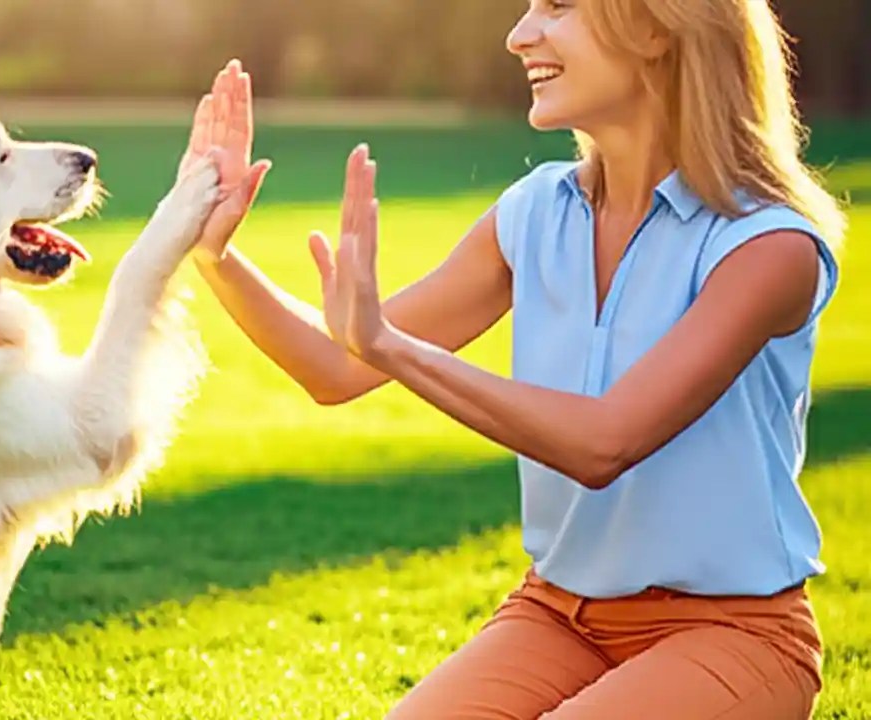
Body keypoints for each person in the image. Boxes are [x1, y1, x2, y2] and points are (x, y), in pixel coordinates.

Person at [178, 0, 847, 716]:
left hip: (733, 632)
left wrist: (392, 347)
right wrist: (212, 250)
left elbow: (606, 441)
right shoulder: (534, 214)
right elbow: (335, 367)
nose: (519, 34)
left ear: (657, 27)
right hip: (557, 615)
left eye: (557, 7)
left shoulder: (769, 248)